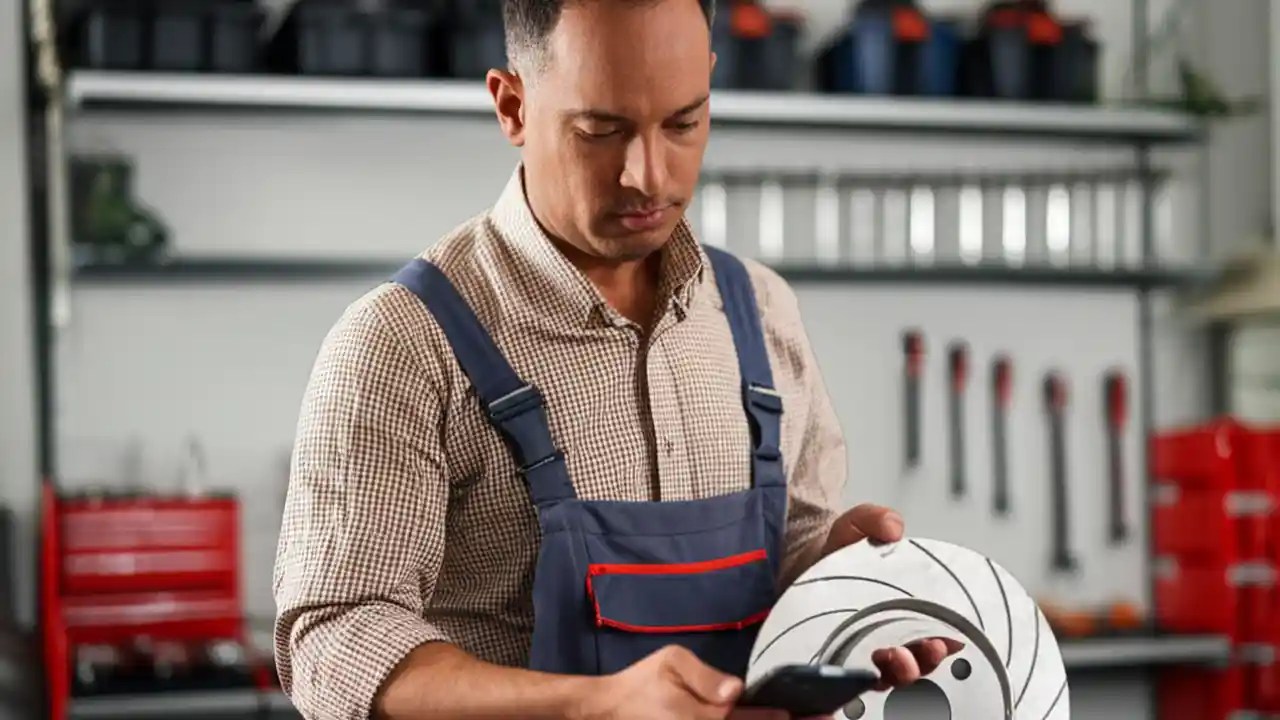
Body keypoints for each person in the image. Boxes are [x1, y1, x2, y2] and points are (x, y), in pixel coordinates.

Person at [273, 1, 959, 718]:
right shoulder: (405, 340)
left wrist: (834, 586)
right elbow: (336, 638)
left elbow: (787, 568)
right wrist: (590, 704)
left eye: (684, 123)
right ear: (512, 105)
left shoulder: (760, 309)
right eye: (602, 130)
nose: (648, 176)